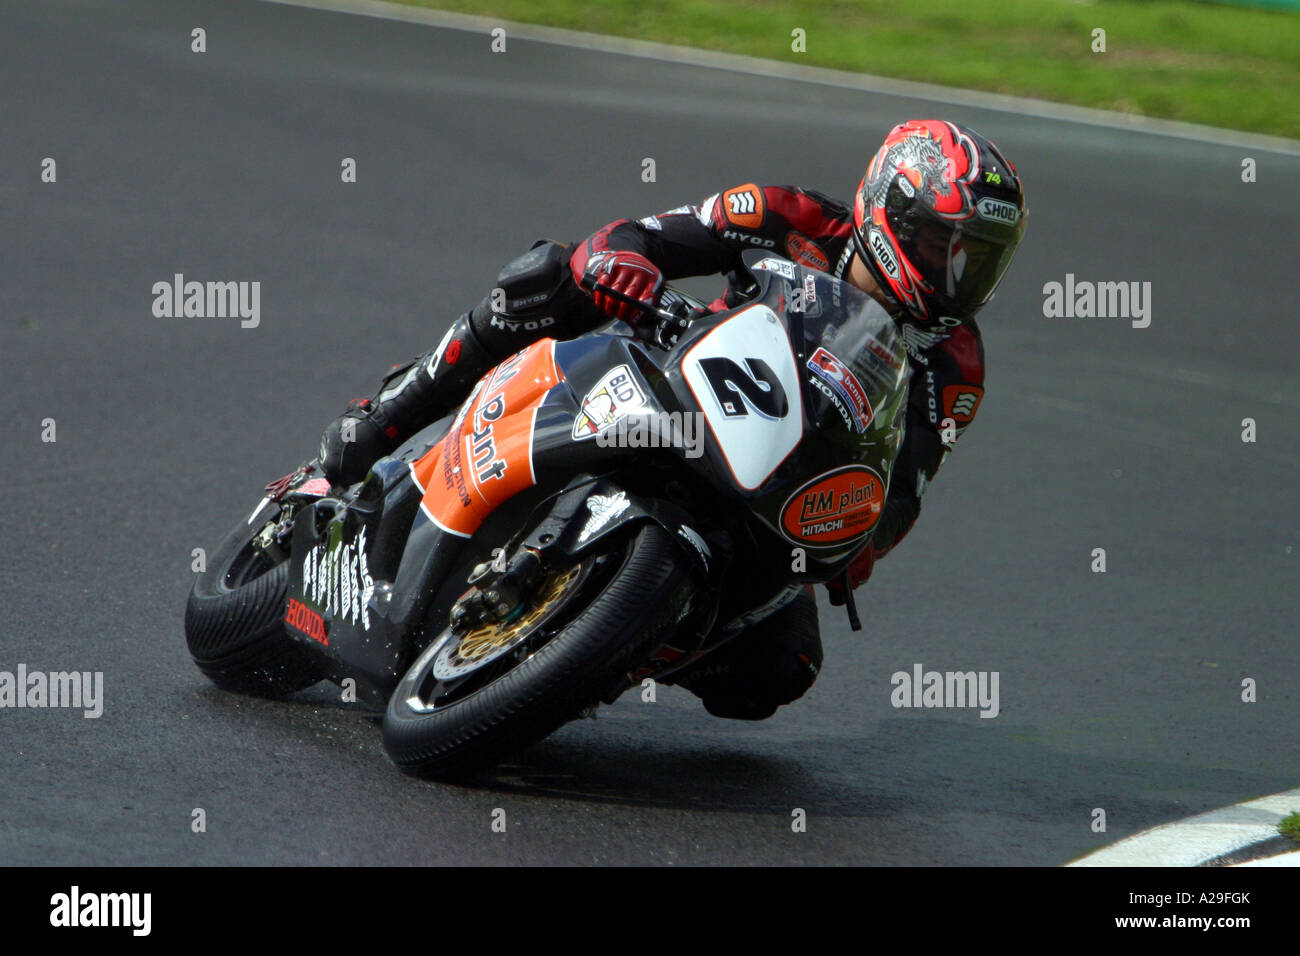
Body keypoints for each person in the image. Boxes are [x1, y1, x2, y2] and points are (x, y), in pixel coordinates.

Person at [318, 119, 1027, 720]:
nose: (956, 276)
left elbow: (904, 489)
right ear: (889, 212)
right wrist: (622, 264)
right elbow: (643, 235)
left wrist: (857, 540)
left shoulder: (957, 366)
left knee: (784, 667)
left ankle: (614, 638)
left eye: (979, 261)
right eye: (942, 247)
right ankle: (392, 412)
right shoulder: (789, 215)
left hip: (772, 487)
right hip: (673, 377)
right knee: (547, 276)